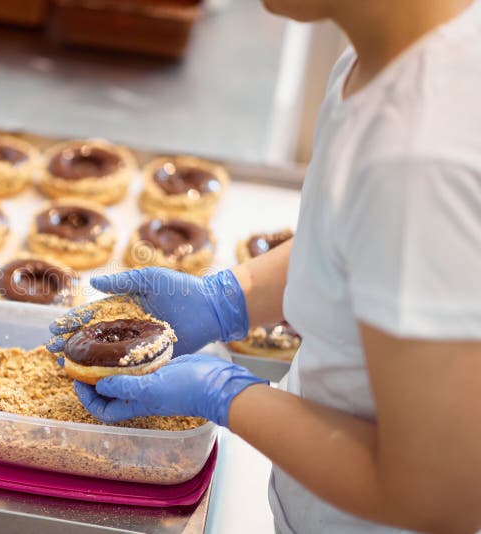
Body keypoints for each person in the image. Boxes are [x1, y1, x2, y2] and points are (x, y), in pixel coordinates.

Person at [47, 0, 481, 532]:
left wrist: (226, 394)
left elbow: (436, 493)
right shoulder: (378, 60)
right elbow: (354, 242)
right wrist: (230, 297)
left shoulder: (420, 159)